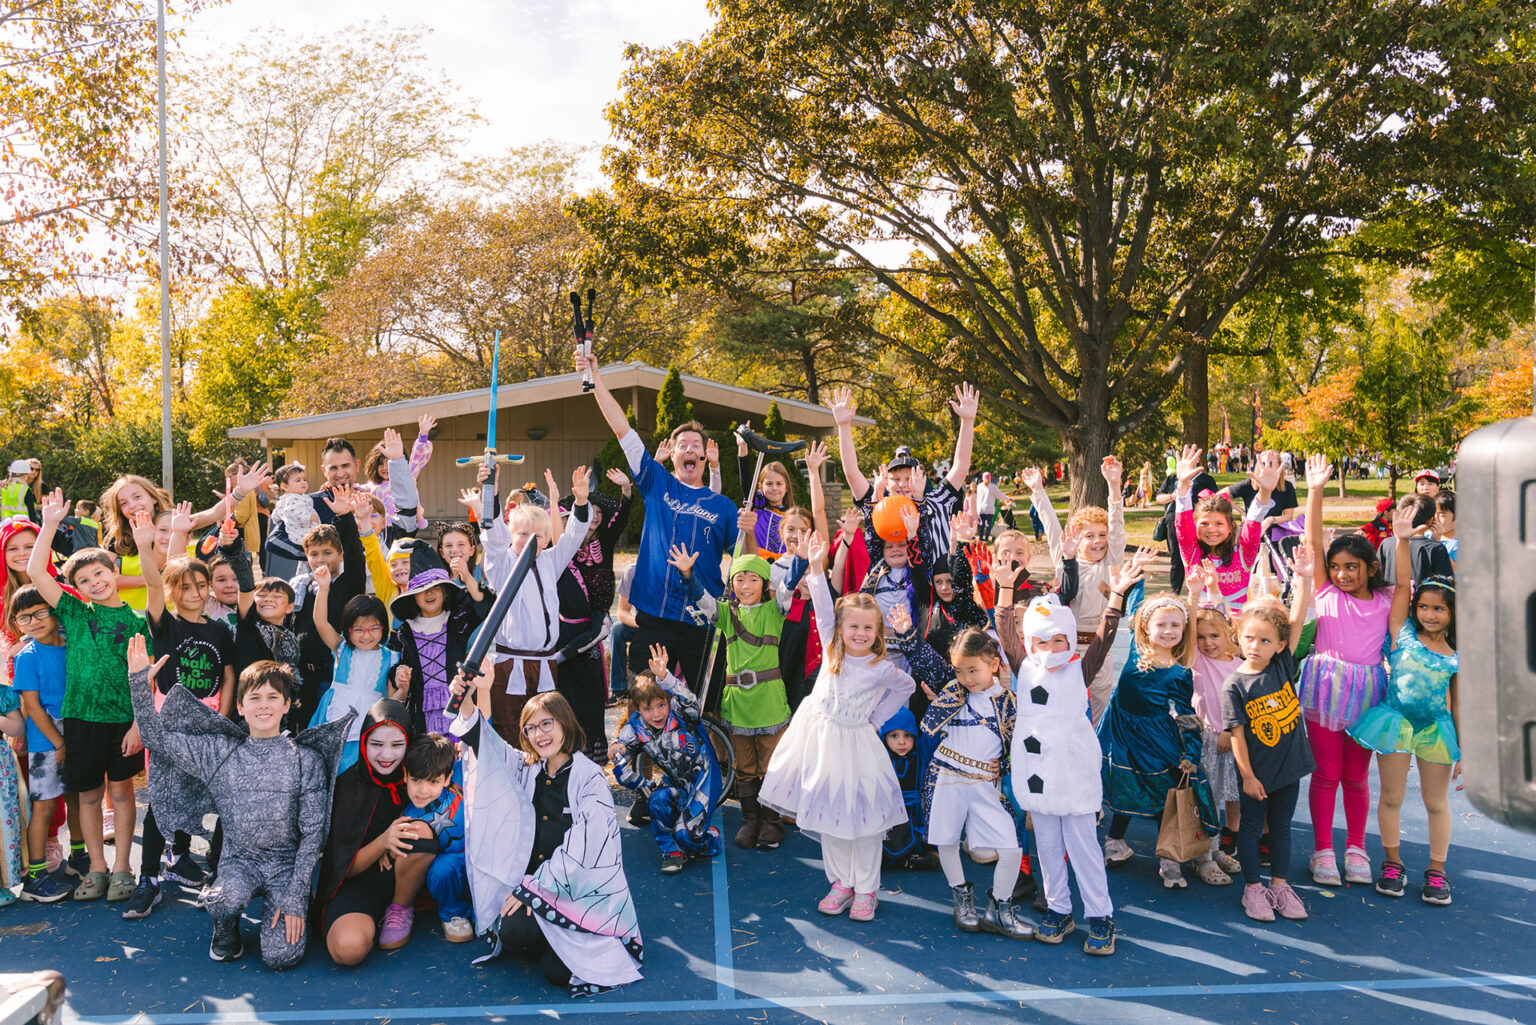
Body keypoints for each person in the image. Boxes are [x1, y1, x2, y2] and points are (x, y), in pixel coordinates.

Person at [126, 641, 350, 967]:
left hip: (286, 870)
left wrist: (296, 893)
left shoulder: (307, 760)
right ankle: (226, 932)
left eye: (273, 697)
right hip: (237, 864)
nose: (264, 706)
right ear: (241, 707)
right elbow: (156, 739)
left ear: (287, 705)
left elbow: (313, 833)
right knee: (223, 901)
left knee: (281, 957)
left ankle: (294, 913)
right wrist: (138, 683)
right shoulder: (220, 752)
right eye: (254, 698)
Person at [449, 681, 644, 996]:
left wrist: (533, 890)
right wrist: (469, 697)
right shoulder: (525, 767)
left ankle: (555, 933)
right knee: (513, 934)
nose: (539, 734)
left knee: (558, 974)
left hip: (579, 893)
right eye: (530, 729)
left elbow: (584, 851)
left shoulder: (590, 778)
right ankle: (545, 931)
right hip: (536, 886)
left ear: (564, 722)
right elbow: (484, 743)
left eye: (546, 724)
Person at [760, 533, 916, 924]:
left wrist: (877, 720)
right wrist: (815, 567)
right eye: (854, 627)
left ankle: (866, 888)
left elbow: (906, 687)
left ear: (878, 631)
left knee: (862, 819)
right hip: (820, 740)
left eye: (868, 627)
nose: (860, 634)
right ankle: (840, 883)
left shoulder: (880, 667)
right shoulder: (832, 647)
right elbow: (824, 609)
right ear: (843, 629)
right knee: (829, 812)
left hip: (857, 746)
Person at [995, 560, 1143, 956]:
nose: (1050, 649)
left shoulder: (1081, 667)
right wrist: (1005, 591)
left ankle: (1100, 915)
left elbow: (1107, 637)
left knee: (1083, 848)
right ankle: (1059, 909)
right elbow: (1006, 629)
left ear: (1069, 640)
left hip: (1074, 776)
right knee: (1046, 846)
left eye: (1058, 640)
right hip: (1037, 774)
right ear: (1029, 645)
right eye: (1041, 642)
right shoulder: (1023, 667)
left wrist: (1117, 596)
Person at [576, 350, 738, 691]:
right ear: (674, 454)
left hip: (703, 621)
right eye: (683, 445)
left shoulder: (722, 505)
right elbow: (623, 431)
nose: (690, 449)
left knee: (703, 709)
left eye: (697, 444)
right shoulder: (656, 482)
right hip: (654, 618)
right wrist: (596, 381)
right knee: (645, 701)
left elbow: (743, 558)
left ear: (704, 455)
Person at [28, 488, 150, 903]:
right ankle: (97, 866)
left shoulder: (136, 620)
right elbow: (38, 573)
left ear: (113, 572)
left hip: (123, 722)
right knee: (89, 795)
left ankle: (122, 868)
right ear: (75, 587)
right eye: (83, 580)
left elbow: (147, 677)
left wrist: (138, 723)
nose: (94, 582)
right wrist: (46, 526)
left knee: (121, 793)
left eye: (99, 574)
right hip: (81, 718)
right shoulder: (76, 612)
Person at [1349, 506, 1459, 905]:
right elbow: (1401, 585)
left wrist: (1463, 747)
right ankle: (1392, 863)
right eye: (1424, 607)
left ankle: (1437, 870)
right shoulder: (1402, 634)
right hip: (1395, 722)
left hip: (1436, 728)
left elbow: (1459, 702)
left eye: (1439, 609)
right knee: (1391, 797)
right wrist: (1402, 541)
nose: (1429, 614)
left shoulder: (1455, 654)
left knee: (1435, 802)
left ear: (1451, 614)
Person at [128, 540, 238, 920]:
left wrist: (221, 721)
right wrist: (145, 545)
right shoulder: (166, 624)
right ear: (173, 591)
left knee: (193, 795)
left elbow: (227, 675)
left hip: (208, 721)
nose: (194, 593)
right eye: (185, 587)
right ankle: (148, 879)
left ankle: (180, 860)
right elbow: (153, 584)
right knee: (161, 798)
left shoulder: (221, 631)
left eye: (200, 586)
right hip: (169, 722)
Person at [1297, 455, 1393, 889]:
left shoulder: (1387, 600)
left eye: (1351, 567)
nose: (1341, 574)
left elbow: (1407, 583)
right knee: (1326, 774)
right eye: (1336, 567)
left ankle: (1356, 847)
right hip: (1325, 690)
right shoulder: (1324, 591)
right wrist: (1314, 490)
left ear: (1370, 567)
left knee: (1355, 777)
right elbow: (1313, 544)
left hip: (1368, 692)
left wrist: (1405, 541)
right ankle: (1322, 850)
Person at [1097, 584, 1224, 889]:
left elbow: (1186, 715)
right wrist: (1136, 576)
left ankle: (1170, 858)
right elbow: (1136, 604)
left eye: (1175, 625)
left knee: (1161, 793)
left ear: (1184, 629)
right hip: (1122, 732)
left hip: (1155, 738)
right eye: (1161, 624)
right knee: (1125, 788)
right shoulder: (1136, 649)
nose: (1168, 631)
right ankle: (1115, 842)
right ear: (1145, 626)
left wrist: (1191, 755)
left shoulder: (1180, 672)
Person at [921, 629, 1032, 940]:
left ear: (993, 664)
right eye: (959, 670)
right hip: (948, 777)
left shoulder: (1009, 701)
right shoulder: (952, 693)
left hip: (985, 783)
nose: (967, 678)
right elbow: (925, 660)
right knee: (947, 841)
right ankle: (962, 899)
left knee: (1010, 848)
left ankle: (999, 907)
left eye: (974, 670)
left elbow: (1019, 745)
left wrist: (1005, 764)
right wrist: (906, 634)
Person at [476, 463, 591, 746]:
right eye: (523, 534)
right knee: (509, 729)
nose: (530, 541)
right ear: (512, 536)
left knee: (546, 732)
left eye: (538, 536)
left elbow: (574, 536)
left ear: (547, 537)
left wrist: (581, 500)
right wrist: (491, 487)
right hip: (509, 664)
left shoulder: (550, 560)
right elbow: (493, 537)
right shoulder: (501, 564)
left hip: (545, 663)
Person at [316, 698, 429, 968]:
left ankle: (400, 909)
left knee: (420, 830)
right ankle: (371, 918)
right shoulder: (347, 787)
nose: (386, 755)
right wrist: (382, 843)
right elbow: (342, 868)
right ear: (363, 743)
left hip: (402, 880)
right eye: (376, 744)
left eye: (397, 745)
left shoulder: (419, 780)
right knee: (349, 949)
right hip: (358, 885)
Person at [827, 384, 979, 583]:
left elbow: (960, 467)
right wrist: (843, 426)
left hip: (939, 588)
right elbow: (852, 474)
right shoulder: (879, 506)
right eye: (896, 479)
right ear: (886, 482)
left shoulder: (938, 499)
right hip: (893, 595)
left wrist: (968, 421)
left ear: (923, 478)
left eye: (909, 478)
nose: (903, 484)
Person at [1223, 596, 1315, 924]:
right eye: (1249, 638)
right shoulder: (1235, 685)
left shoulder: (1282, 665)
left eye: (1265, 640)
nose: (1256, 646)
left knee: (1280, 828)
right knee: (1250, 828)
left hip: (1289, 769)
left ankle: (1279, 885)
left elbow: (1299, 615)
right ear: (1238, 638)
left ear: (1279, 646)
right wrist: (1247, 777)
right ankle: (1253, 888)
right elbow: (1236, 736)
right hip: (1257, 775)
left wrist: (1303, 577)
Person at [1026, 457, 1126, 722]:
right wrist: (1038, 489)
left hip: (1098, 650)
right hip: (1066, 649)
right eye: (1089, 535)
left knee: (1096, 712)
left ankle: (1093, 759)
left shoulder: (1109, 564)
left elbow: (1117, 529)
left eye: (1101, 535)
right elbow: (1050, 526)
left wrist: (1113, 486)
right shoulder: (1065, 558)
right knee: (1063, 712)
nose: (1097, 541)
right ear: (1076, 539)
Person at [610, 643, 724, 873]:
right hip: (675, 783)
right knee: (657, 800)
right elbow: (624, 748)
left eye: (661, 705)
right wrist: (618, 748)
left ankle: (709, 838)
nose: (657, 713)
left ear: (669, 701)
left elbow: (693, 704)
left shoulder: (681, 712)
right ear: (638, 710)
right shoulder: (637, 725)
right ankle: (671, 852)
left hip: (704, 778)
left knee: (687, 835)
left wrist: (667, 678)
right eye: (648, 709)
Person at [9, 586, 80, 902]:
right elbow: (33, 707)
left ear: (54, 610)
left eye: (40, 611)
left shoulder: (72, 645)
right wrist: (58, 742)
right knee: (46, 805)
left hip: (75, 734)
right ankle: (36, 876)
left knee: (79, 796)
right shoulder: (27, 656)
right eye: (24, 617)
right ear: (17, 624)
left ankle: (79, 858)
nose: (34, 620)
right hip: (45, 740)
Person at [389, 541, 491, 737]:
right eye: (421, 590)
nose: (428, 593)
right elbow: (394, 666)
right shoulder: (403, 633)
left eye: (435, 587)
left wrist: (467, 576)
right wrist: (398, 671)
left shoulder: (458, 621)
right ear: (413, 596)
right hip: (420, 717)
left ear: (445, 592)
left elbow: (484, 607)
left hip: (460, 707)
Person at [385, 732, 474, 946]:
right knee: (442, 871)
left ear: (447, 777)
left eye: (434, 781)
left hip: (480, 853)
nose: (423, 790)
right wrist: (385, 851)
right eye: (416, 780)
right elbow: (396, 847)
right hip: (449, 864)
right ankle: (453, 913)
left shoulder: (460, 777)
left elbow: (481, 733)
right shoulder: (407, 816)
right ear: (405, 775)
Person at [311, 571, 404, 772]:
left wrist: (403, 686)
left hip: (369, 724)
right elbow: (320, 622)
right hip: (334, 717)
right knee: (325, 767)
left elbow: (393, 700)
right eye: (359, 629)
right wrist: (324, 588)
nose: (366, 636)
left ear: (383, 628)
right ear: (348, 630)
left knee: (356, 772)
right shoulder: (341, 648)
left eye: (373, 628)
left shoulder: (391, 657)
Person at [291, 486, 368, 727]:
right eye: (314, 554)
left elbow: (356, 554)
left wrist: (344, 517)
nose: (321, 559)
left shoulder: (349, 583)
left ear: (340, 555)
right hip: (302, 677)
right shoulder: (300, 588)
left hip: (333, 674)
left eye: (328, 552)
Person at [1187, 564, 1245, 876]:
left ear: (1228, 636)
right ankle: (1203, 853)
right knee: (1206, 795)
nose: (1208, 642)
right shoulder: (1196, 659)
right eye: (1202, 637)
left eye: (1214, 636)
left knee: (1232, 792)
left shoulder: (1239, 664)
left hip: (1234, 739)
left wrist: (1214, 588)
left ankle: (1223, 845)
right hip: (1205, 738)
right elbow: (1189, 629)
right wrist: (1197, 594)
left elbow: (1242, 704)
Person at [1171, 445, 1274, 612]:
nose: (1212, 530)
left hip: (1233, 634)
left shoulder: (1243, 554)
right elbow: (1182, 526)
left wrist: (1265, 493)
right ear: (1195, 527)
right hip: (1199, 635)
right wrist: (1182, 485)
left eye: (1219, 524)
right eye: (1204, 524)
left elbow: (1253, 525)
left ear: (1231, 527)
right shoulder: (1192, 554)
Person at [879, 707, 933, 871]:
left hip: (912, 816)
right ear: (884, 736)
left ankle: (910, 859)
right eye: (894, 736)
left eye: (908, 735)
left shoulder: (920, 754)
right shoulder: (879, 756)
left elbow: (932, 736)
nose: (901, 742)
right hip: (885, 816)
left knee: (929, 852)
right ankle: (895, 860)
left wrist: (933, 702)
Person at [1154, 457, 1217, 595]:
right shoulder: (1172, 478)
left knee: (1200, 556)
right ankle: (1174, 592)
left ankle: (1203, 590)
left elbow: (1215, 499)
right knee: (1176, 557)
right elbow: (1158, 498)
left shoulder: (1206, 479)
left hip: (1199, 521)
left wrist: (1205, 500)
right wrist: (1173, 496)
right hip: (1174, 520)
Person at [1376, 494, 1453, 587]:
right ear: (1431, 520)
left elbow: (1378, 577)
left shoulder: (1386, 543)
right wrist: (1436, 541)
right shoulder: (1436, 548)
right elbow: (1445, 585)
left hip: (1389, 599)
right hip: (1421, 600)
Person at [266, 463, 316, 582]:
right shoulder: (292, 498)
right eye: (298, 480)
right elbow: (292, 512)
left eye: (304, 479)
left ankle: (302, 580)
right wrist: (308, 517)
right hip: (301, 534)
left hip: (304, 533)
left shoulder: (297, 497)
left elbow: (276, 514)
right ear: (285, 486)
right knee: (309, 561)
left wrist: (278, 518)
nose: (303, 482)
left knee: (305, 565)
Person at [1, 458, 39, 525]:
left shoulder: (4, 488)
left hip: (5, 524)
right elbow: (32, 514)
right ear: (24, 475)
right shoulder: (25, 490)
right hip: (23, 525)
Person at [975, 472, 1008, 540]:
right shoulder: (992, 487)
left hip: (980, 508)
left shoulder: (979, 486)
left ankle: (981, 538)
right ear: (990, 478)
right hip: (989, 508)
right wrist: (1007, 498)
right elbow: (1000, 495)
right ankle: (986, 539)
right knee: (988, 524)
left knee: (981, 524)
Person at [1433, 492, 1457, 563]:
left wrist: (1436, 542)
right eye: (1433, 513)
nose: (1435, 518)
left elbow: (1452, 569)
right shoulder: (1427, 536)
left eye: (1442, 515)